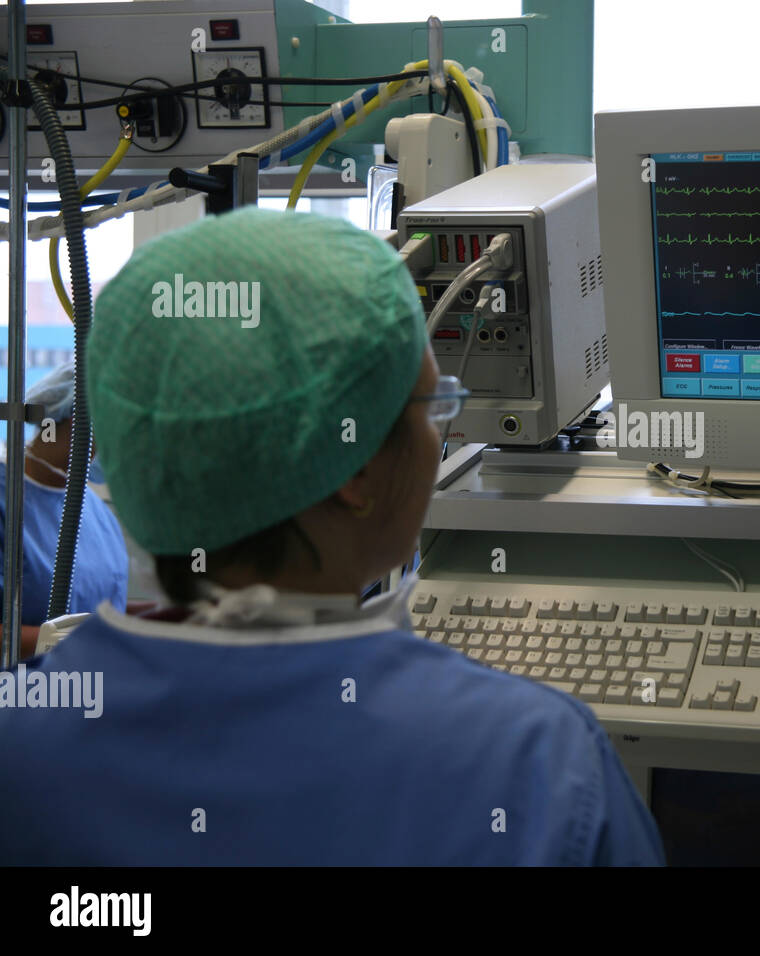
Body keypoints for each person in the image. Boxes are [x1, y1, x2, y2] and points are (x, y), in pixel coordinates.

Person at [0, 207, 664, 866]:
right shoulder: (537, 769)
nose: (440, 435)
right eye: (433, 407)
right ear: (355, 467)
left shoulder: (24, 744)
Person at [0, 360, 128, 658]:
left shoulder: (96, 512)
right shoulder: (7, 501)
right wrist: (54, 642)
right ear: (76, 419)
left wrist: (145, 621)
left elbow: (92, 603)